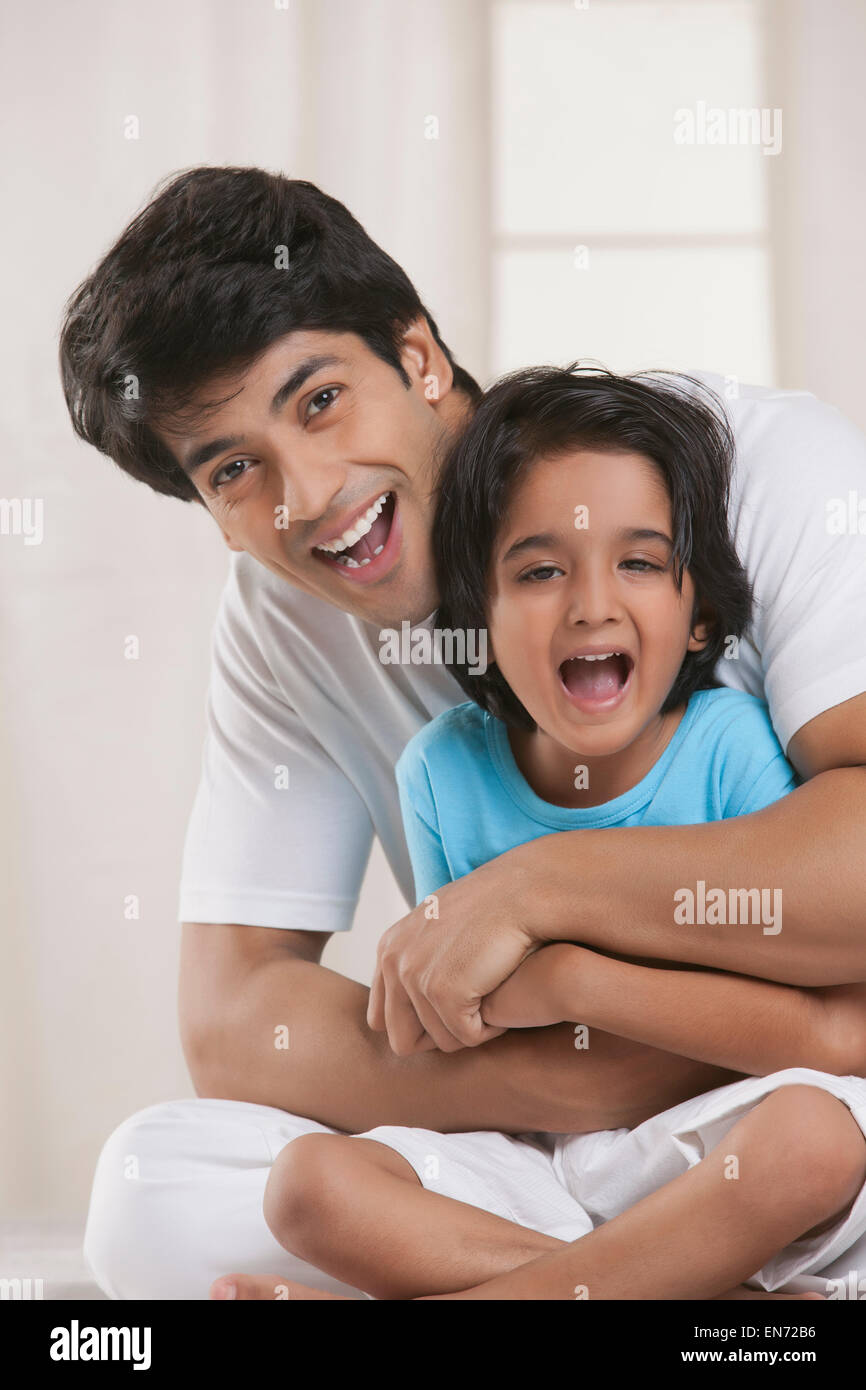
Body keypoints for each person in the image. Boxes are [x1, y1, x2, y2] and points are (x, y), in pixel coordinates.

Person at [58, 167, 866, 1300]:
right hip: (549, 1139)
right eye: (235, 470)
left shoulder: (733, 462)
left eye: (318, 400)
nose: (312, 494)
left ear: (417, 356)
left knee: (819, 1134)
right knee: (152, 1188)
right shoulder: (282, 622)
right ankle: (692, 1302)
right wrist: (574, 1080)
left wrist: (544, 889)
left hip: (784, 1094)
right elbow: (240, 1022)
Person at [235, 368, 866, 1301]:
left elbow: (825, 1029)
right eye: (538, 572)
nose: (590, 605)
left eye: (640, 563)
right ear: (475, 624)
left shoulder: (732, 748)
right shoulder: (442, 774)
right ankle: (681, 1298)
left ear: (701, 621)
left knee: (813, 1140)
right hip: (538, 1159)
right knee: (307, 1189)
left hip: (716, 1135)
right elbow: (448, 1029)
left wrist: (572, 979)